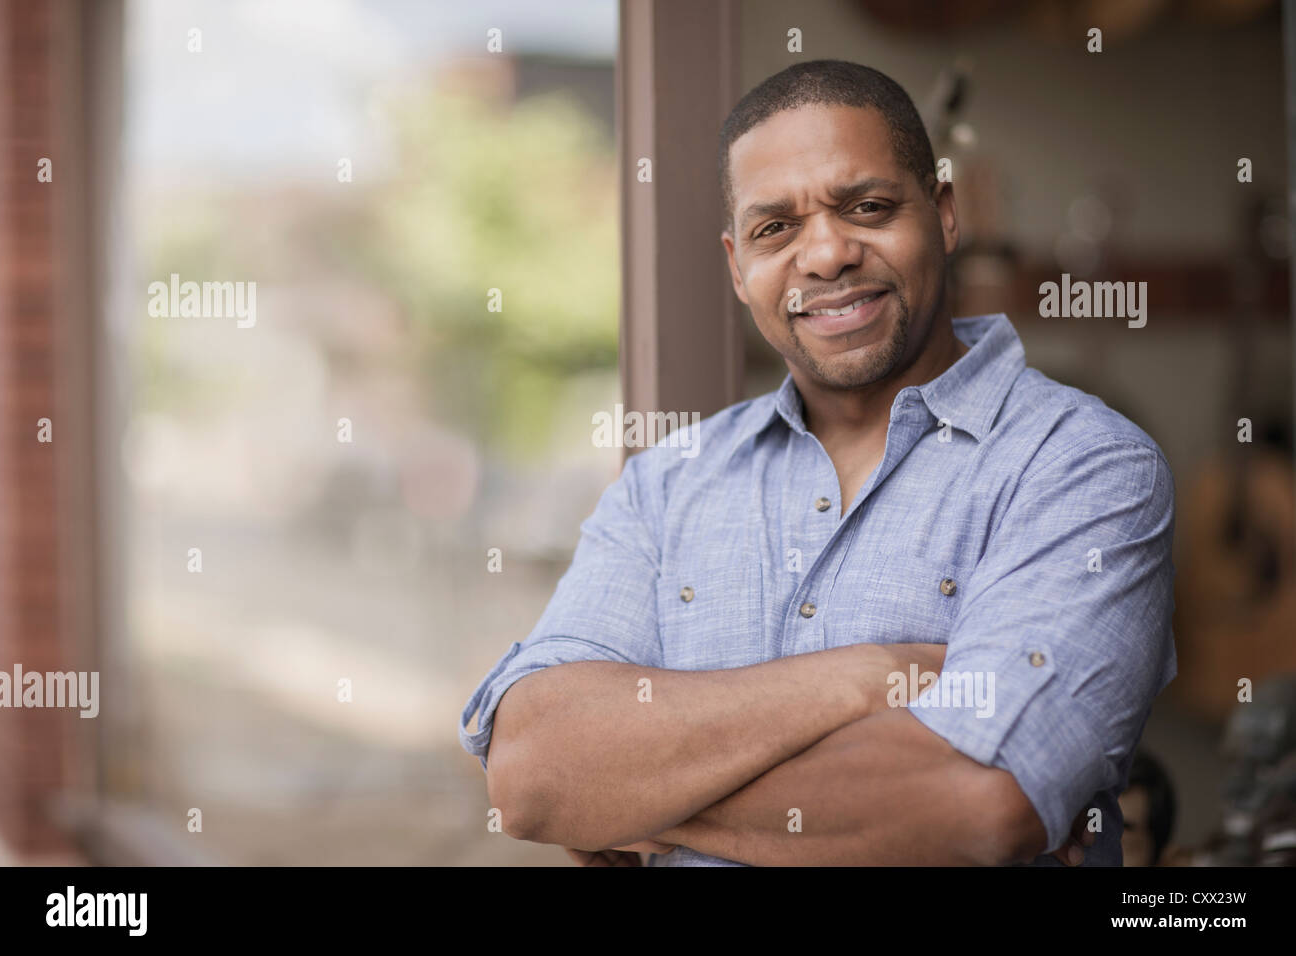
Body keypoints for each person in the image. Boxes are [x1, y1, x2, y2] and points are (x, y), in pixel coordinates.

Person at [459, 59, 1177, 866]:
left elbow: (976, 805)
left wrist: (635, 797)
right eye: (776, 228)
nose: (827, 254)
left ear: (943, 214)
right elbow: (532, 770)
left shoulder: (1083, 467)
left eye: (866, 207)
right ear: (739, 268)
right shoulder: (665, 484)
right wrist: (867, 678)